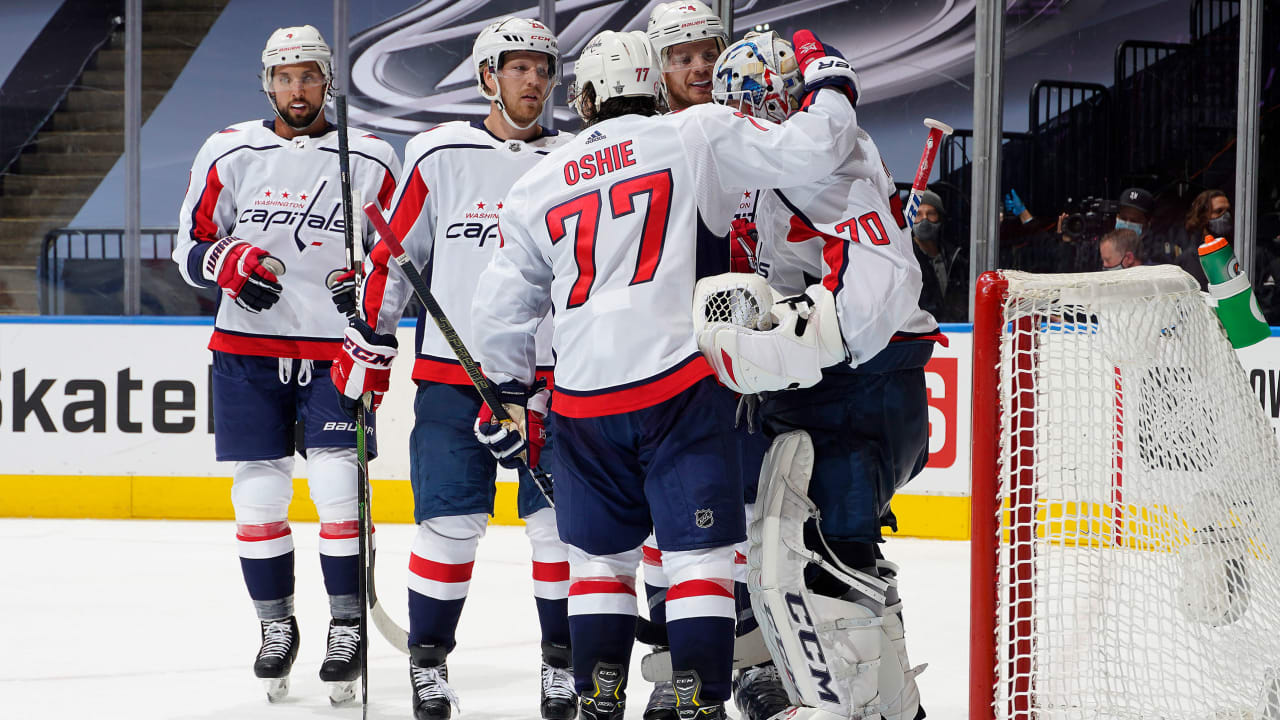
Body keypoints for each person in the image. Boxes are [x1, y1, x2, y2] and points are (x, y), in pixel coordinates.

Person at [471, 28, 862, 720]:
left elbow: (501, 310)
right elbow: (813, 150)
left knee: (599, 565)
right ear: (656, 86)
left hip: (583, 399)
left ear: (585, 98)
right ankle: (699, 703)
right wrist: (829, 81)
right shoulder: (695, 132)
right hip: (680, 385)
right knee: (699, 560)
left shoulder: (538, 181)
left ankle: (598, 700)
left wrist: (507, 396)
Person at [329, 17, 576, 720]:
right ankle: (428, 664)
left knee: (557, 529)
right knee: (450, 524)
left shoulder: (576, 157)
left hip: (553, 378)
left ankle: (560, 666)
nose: (534, 79)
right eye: (519, 67)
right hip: (451, 374)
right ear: (487, 76)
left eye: (543, 67)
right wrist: (371, 344)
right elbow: (394, 256)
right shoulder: (438, 153)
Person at [700, 30, 940, 720]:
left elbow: (821, 128)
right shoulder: (816, 170)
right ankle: (893, 706)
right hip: (875, 381)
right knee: (840, 560)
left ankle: (851, 703)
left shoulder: (816, 145)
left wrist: (827, 75)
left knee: (819, 568)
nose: (744, 119)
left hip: (859, 382)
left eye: (749, 102)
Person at [172, 25, 400, 704]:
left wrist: (365, 290)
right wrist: (229, 265)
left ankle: (346, 626)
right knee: (258, 498)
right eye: (283, 77)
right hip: (247, 349)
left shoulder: (372, 157)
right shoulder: (229, 149)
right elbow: (193, 245)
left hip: (338, 352)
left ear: (328, 80)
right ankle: (276, 628)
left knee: (337, 492)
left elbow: (398, 252)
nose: (295, 89)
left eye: (307, 75)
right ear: (266, 83)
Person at [647, 1, 727, 112]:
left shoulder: (742, 120)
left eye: (710, 56)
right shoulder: (650, 128)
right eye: (685, 60)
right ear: (659, 71)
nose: (701, 68)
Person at [1176, 190, 1232, 290]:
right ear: (1203, 216)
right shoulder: (1190, 258)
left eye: (1228, 210)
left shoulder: (1239, 247)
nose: (1226, 215)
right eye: (1219, 211)